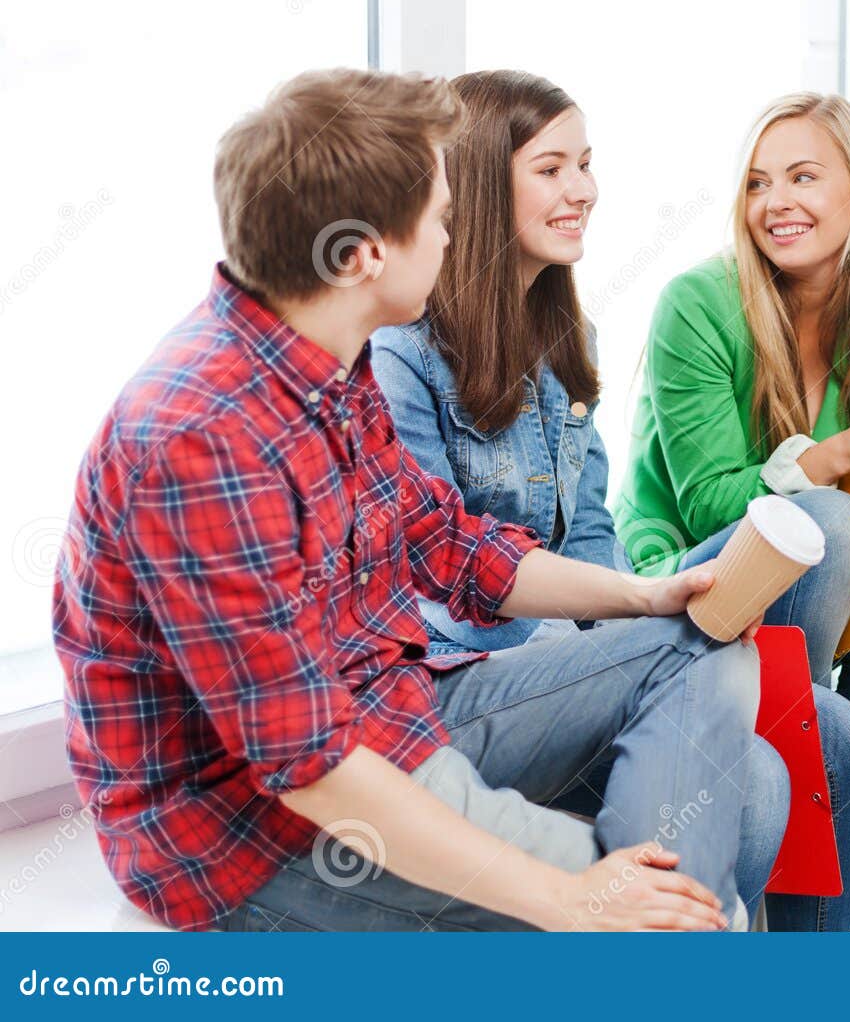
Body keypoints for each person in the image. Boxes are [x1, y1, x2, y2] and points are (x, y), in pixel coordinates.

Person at [51, 69, 765, 933]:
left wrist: (644, 595)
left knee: (700, 644)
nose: (454, 237)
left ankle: (653, 940)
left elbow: (453, 544)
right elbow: (308, 763)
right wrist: (572, 896)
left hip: (396, 716)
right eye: (442, 218)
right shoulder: (202, 437)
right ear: (365, 255)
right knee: (673, 896)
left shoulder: (330, 360)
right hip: (255, 835)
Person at [371, 69, 850, 931]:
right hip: (480, 672)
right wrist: (622, 637)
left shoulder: (567, 336)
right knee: (750, 779)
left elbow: (592, 527)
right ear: (485, 185)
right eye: (555, 168)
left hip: (588, 633)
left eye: (587, 165)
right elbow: (430, 573)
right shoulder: (401, 354)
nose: (585, 191)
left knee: (838, 739)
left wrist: (621, 624)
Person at [615, 93, 850, 884]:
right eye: (758, 183)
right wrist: (840, 454)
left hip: (803, 584)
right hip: (684, 568)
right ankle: (804, 752)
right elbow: (705, 504)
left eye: (803, 177)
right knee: (829, 519)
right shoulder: (698, 304)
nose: (777, 204)